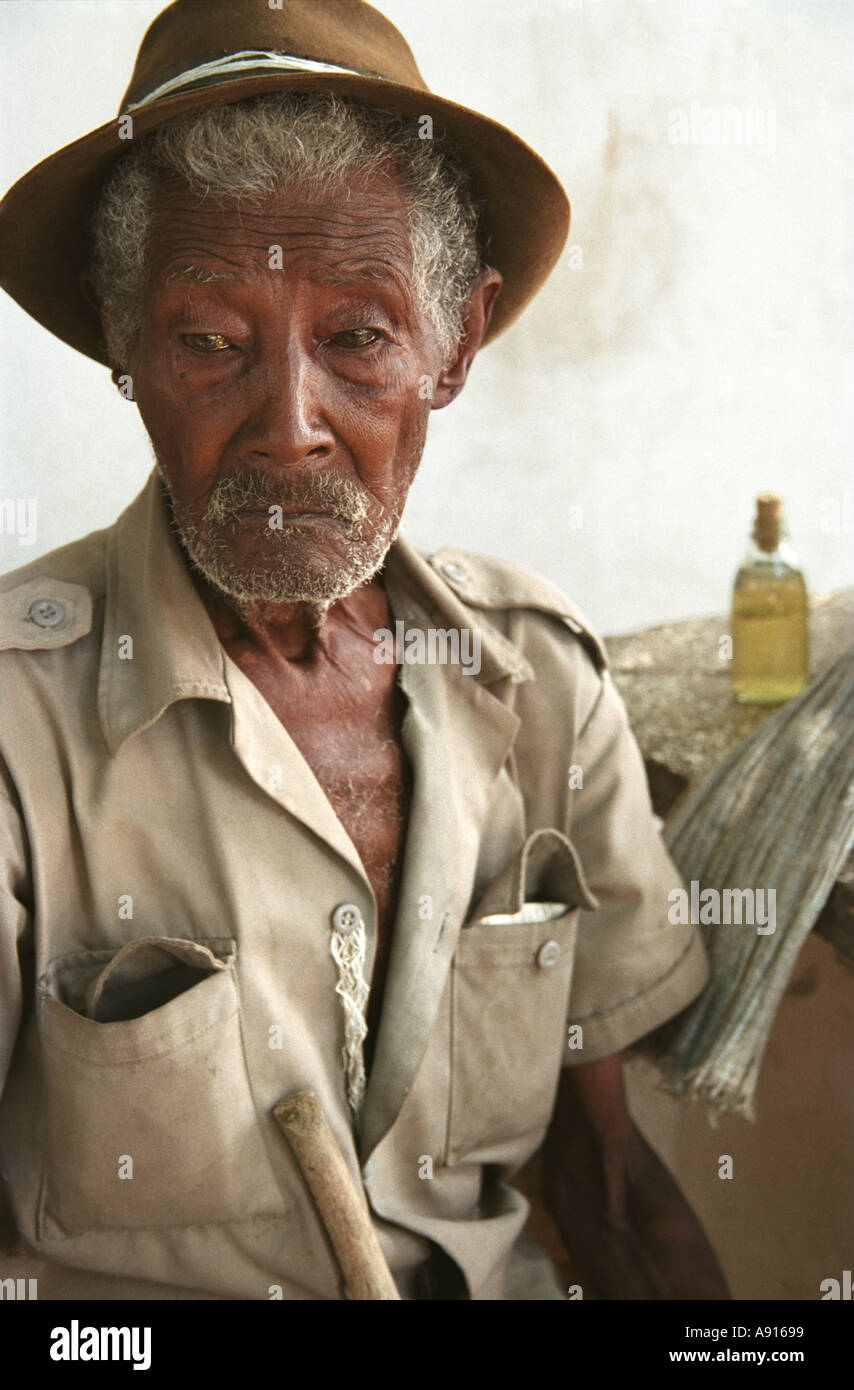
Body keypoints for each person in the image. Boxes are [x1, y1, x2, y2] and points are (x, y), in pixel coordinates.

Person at [0, 0, 727, 1300]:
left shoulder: (538, 678)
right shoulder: (17, 717)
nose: (289, 426)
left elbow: (601, 1180)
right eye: (210, 342)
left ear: (453, 340)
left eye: (357, 337)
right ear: (123, 342)